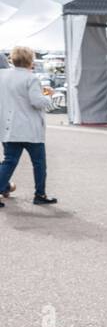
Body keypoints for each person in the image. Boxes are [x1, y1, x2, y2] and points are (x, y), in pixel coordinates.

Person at [0, 45, 58, 206]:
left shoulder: (3, 76)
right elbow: (37, 102)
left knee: (9, 161)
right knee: (39, 163)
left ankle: (2, 188)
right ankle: (40, 194)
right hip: (29, 129)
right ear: (30, 60)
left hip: (9, 127)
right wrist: (49, 95)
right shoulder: (31, 78)